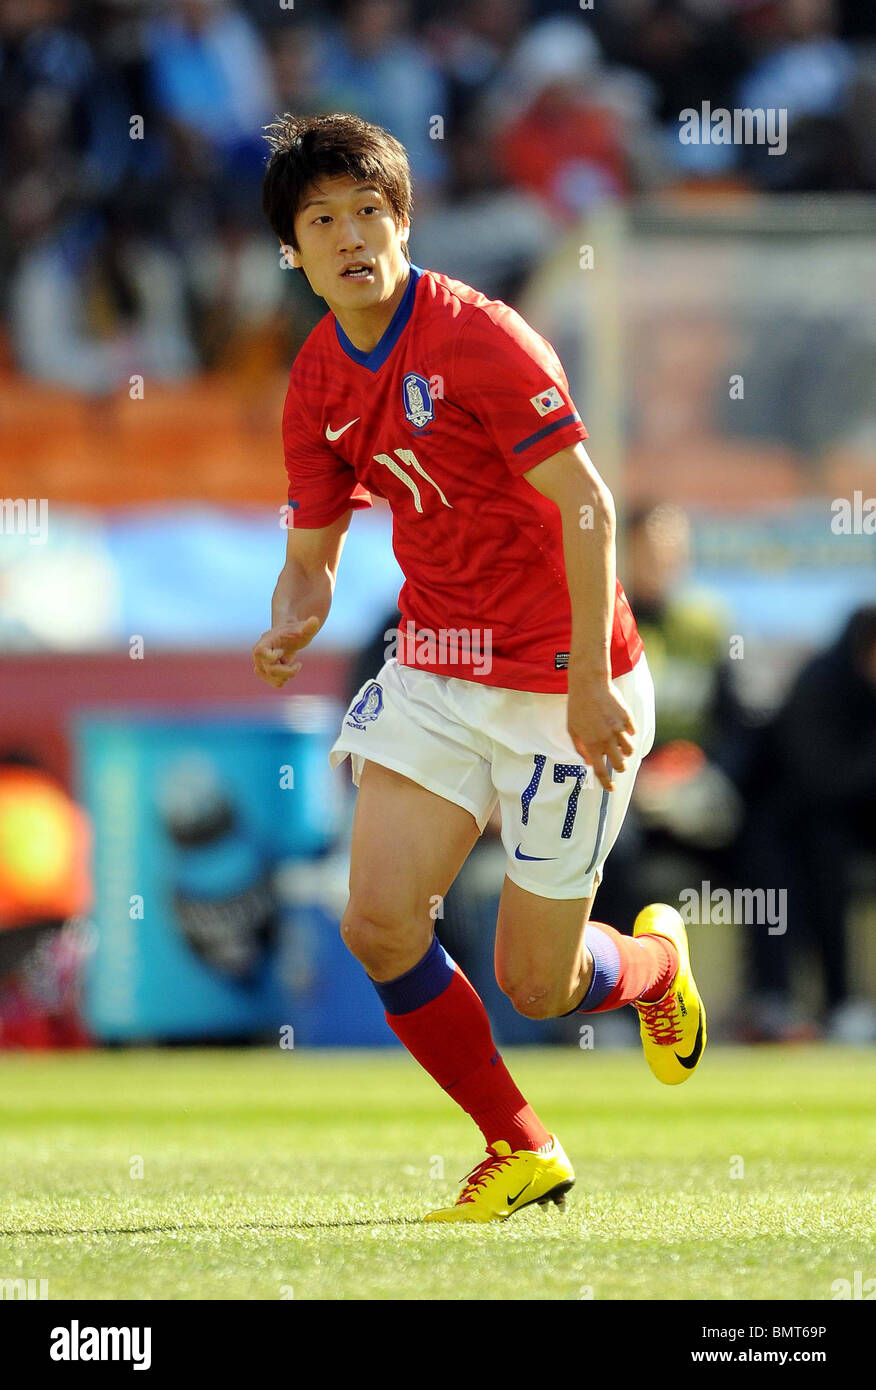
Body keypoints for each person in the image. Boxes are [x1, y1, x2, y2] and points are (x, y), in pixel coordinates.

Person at [252, 112, 706, 1223]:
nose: (353, 235)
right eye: (324, 220)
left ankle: (652, 970)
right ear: (293, 252)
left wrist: (595, 680)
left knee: (537, 986)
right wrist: (290, 618)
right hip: (441, 671)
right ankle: (521, 1143)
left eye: (371, 211)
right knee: (377, 920)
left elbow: (591, 507)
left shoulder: (480, 337)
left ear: (403, 221)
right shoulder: (316, 380)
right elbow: (313, 557)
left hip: (566, 685)